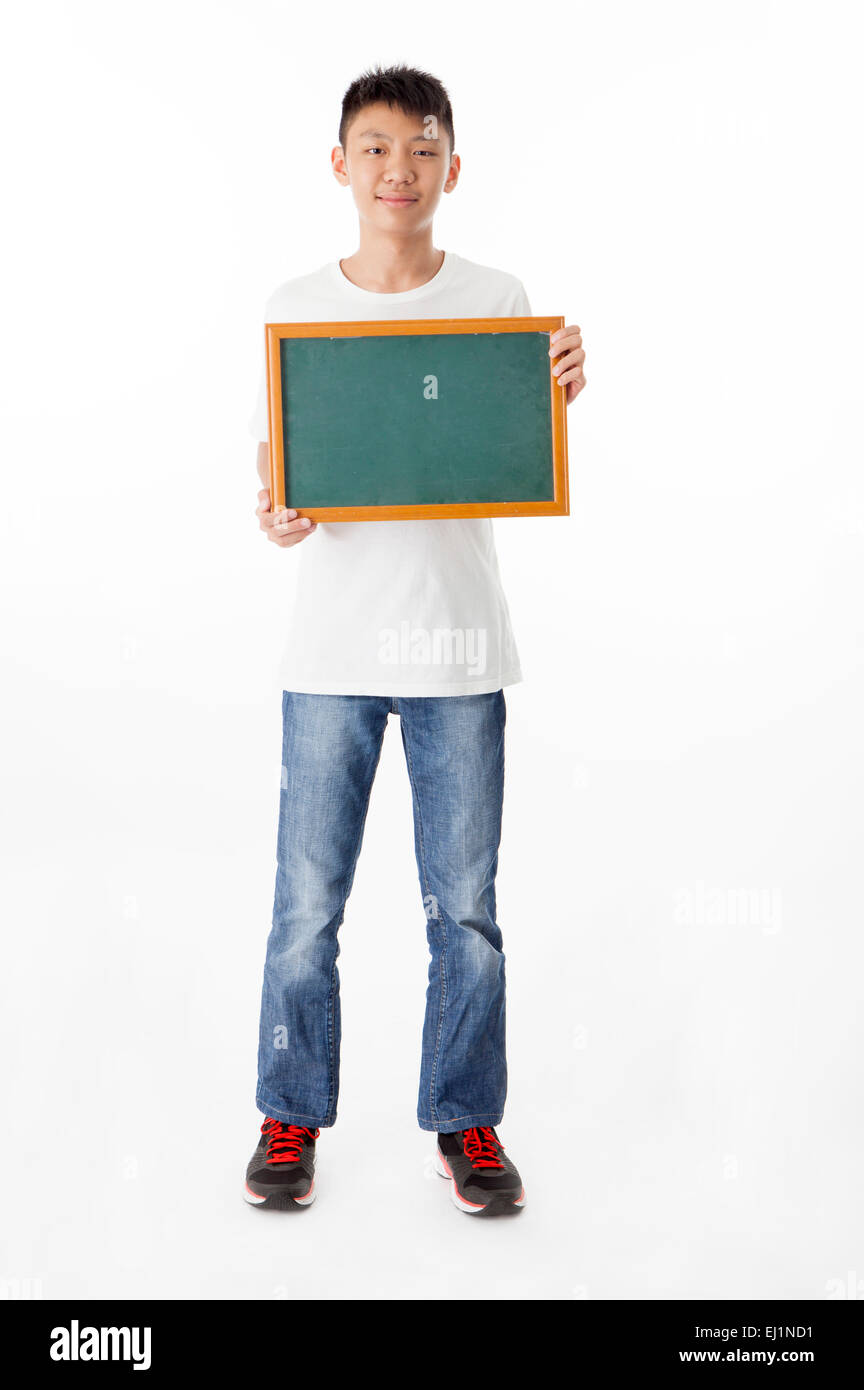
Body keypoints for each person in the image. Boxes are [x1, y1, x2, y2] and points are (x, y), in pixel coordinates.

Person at [243, 63, 586, 1215]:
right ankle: (289, 1113)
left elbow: (515, 441)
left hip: (458, 655)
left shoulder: (499, 303)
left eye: (422, 147)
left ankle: (466, 1121)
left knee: (467, 912)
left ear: (453, 166)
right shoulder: (301, 305)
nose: (401, 168)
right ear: (342, 165)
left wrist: (553, 393)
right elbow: (277, 481)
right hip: (332, 656)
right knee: (306, 907)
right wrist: (280, 509)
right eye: (378, 147)